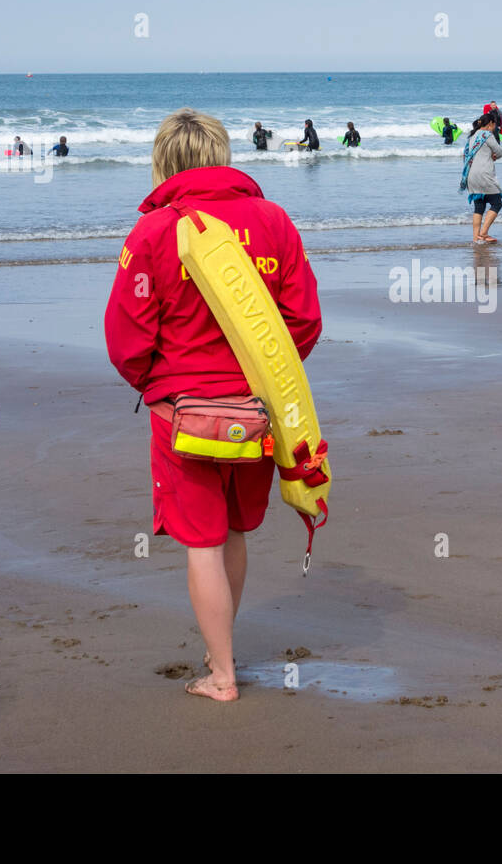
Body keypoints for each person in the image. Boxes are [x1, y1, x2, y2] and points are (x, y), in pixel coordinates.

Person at [104, 108, 322, 702]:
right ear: (222, 155)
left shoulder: (153, 233)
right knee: (231, 533)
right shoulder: (274, 221)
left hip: (184, 416)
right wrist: (263, 381)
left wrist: (158, 386)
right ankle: (219, 644)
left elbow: (126, 337)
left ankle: (222, 674)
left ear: (164, 163)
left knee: (201, 541)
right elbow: (303, 321)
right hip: (257, 416)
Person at [460, 109, 502, 243]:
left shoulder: (472, 136)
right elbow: (500, 152)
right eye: (495, 124)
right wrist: (493, 155)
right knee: (497, 203)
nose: (495, 127)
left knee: (479, 207)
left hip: (471, 175)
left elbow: (465, 156)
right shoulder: (487, 135)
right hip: (484, 174)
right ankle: (484, 233)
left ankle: (476, 238)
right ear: (490, 123)